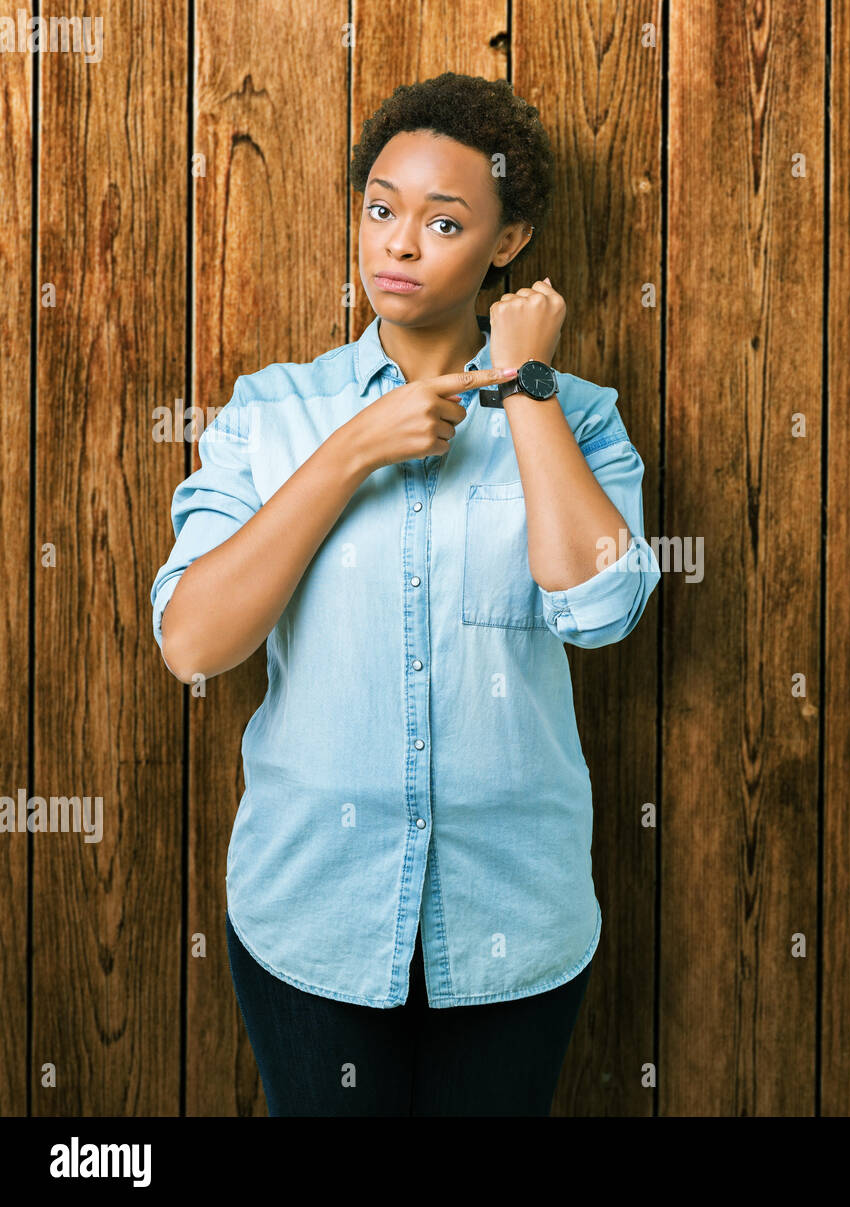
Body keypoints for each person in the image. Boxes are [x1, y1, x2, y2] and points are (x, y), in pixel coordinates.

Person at [149, 73, 661, 1116]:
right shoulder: (274, 411)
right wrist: (348, 455)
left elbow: (602, 612)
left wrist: (525, 391)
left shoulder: (583, 417)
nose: (398, 243)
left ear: (507, 242)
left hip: (513, 919)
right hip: (314, 921)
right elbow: (193, 644)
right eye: (381, 209)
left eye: (443, 221)